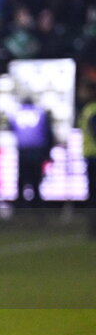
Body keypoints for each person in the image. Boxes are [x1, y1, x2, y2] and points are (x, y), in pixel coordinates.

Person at [10, 97, 55, 212]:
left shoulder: (15, 113)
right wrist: (48, 152)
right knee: (36, 180)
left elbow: (11, 129)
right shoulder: (41, 113)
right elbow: (48, 133)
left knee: (22, 180)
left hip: (23, 151)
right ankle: (36, 207)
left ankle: (20, 207)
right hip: (37, 151)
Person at [79, 84, 96, 240]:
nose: (81, 92)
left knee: (93, 195)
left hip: (93, 158)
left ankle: (93, 229)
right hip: (91, 157)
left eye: (83, 89)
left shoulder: (91, 109)